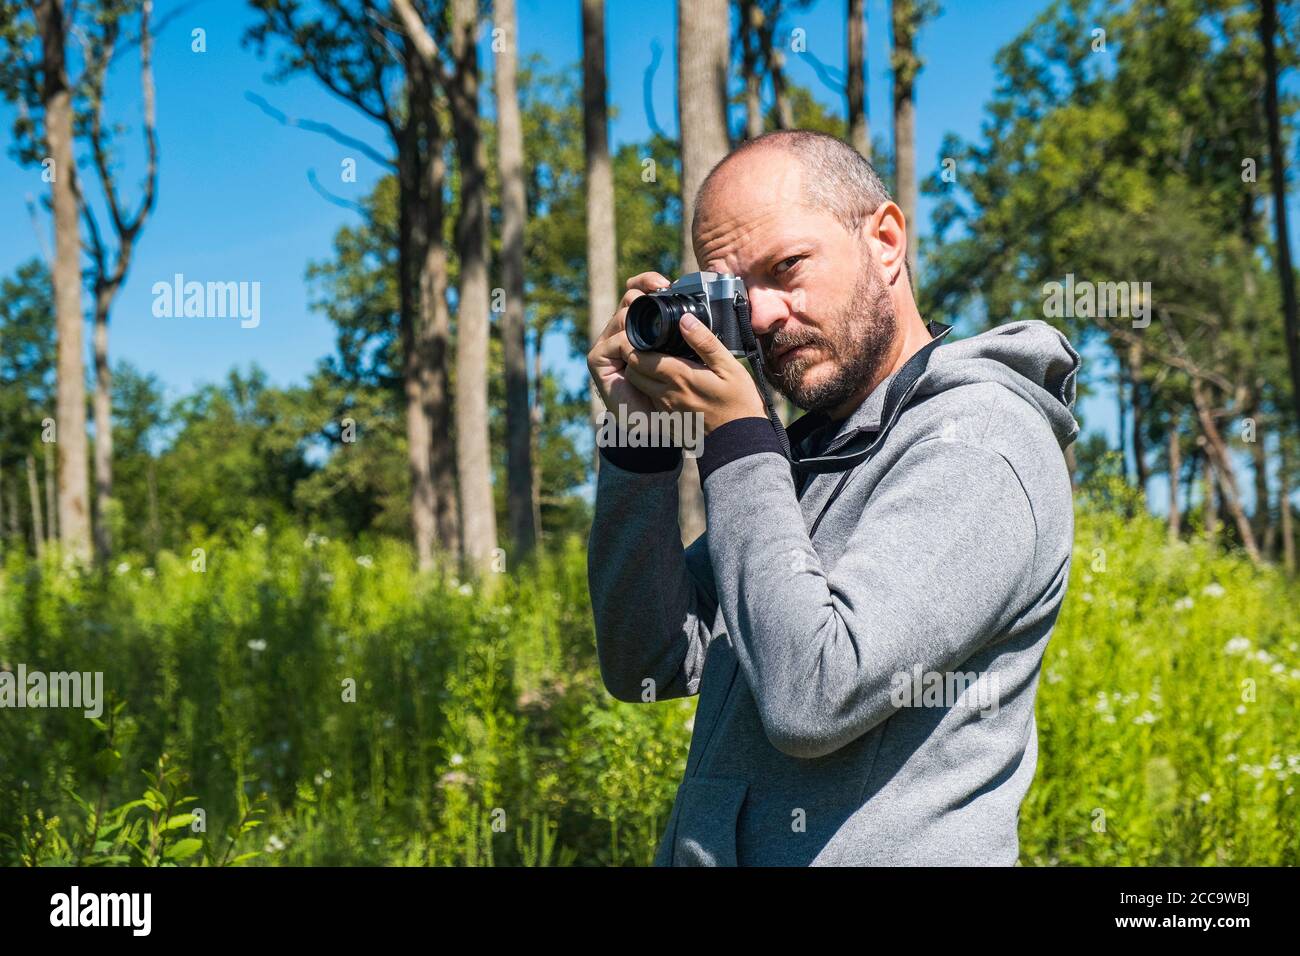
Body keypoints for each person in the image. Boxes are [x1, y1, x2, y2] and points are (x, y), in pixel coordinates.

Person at [585, 128, 1081, 866]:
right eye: (737, 291)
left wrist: (737, 438)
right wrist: (641, 448)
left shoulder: (980, 440)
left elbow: (815, 695)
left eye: (786, 267)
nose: (762, 315)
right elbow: (651, 664)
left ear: (885, 241)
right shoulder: (809, 457)